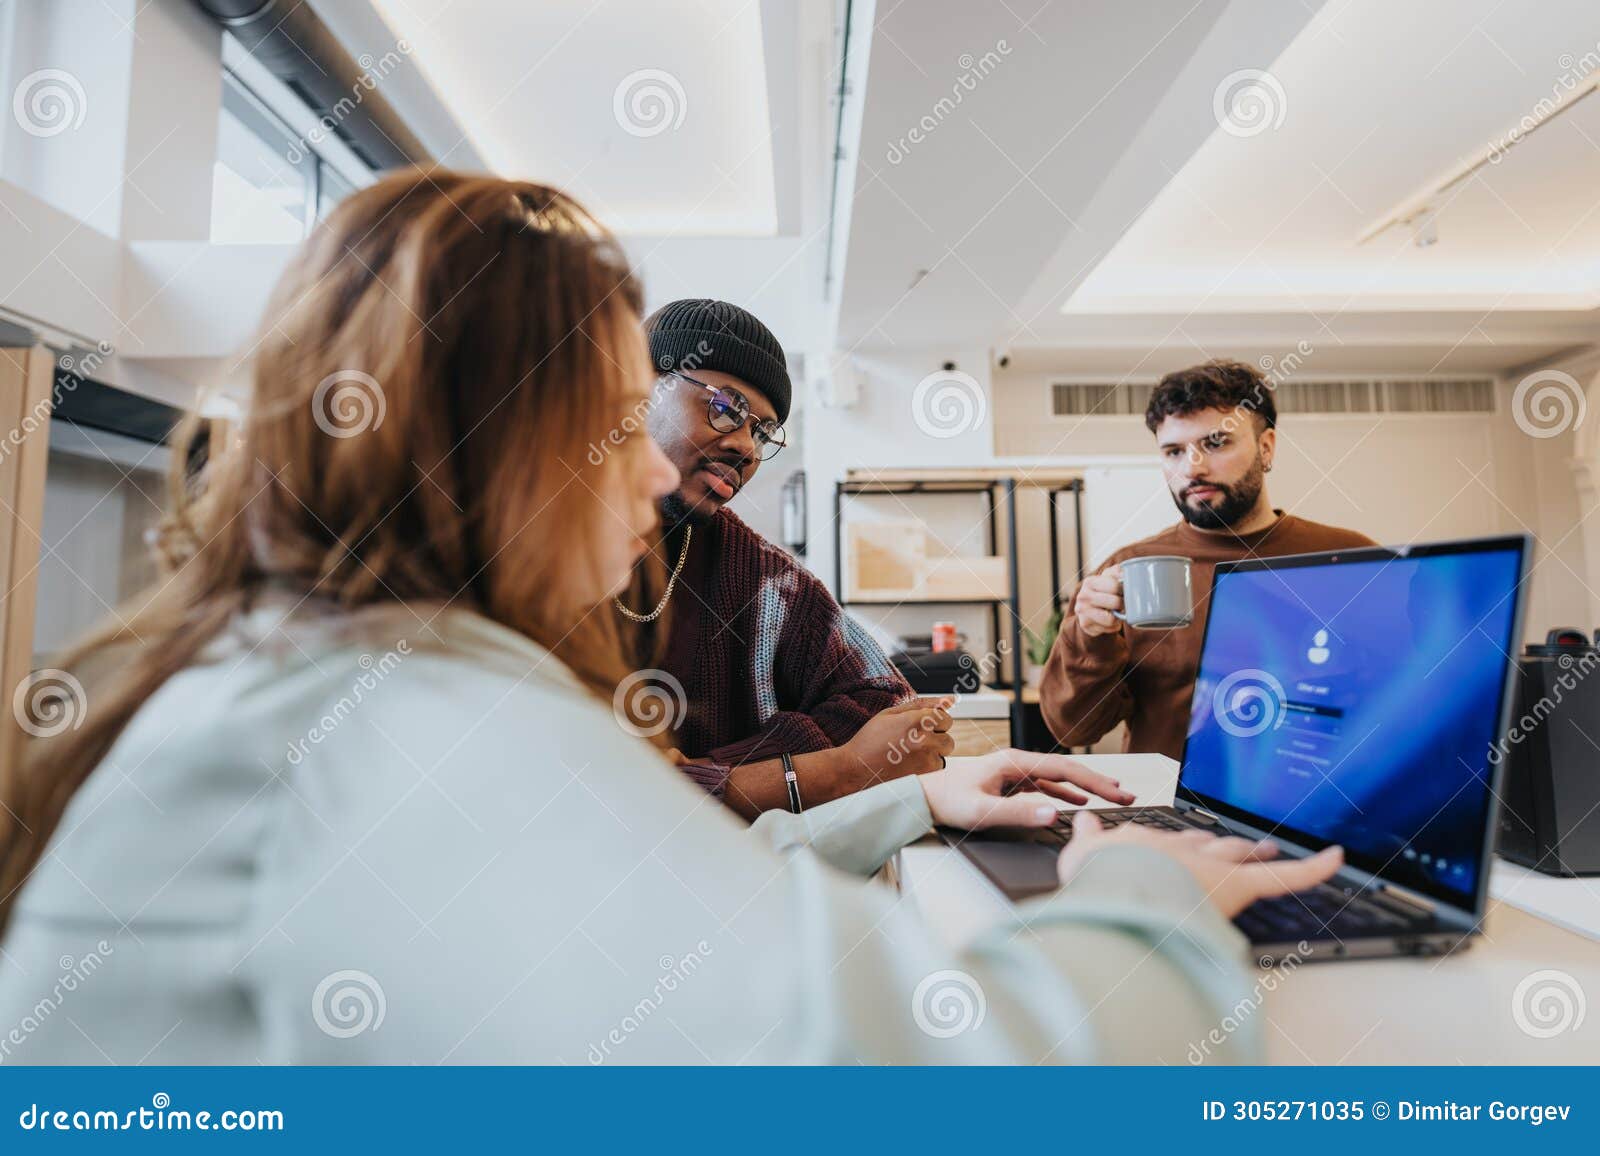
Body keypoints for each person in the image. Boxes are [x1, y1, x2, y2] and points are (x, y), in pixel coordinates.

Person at [0, 172, 1341, 1065]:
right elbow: (948, 1085)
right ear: (501, 433)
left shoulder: (340, 665)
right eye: (611, 418)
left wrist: (916, 803)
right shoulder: (405, 717)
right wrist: (1150, 900)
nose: (646, 468)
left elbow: (682, 852)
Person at [618, 299, 932, 819]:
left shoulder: (761, 574)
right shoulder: (527, 548)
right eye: (725, 407)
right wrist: (825, 768)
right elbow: (593, 794)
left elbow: (888, 708)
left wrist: (709, 773)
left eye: (763, 432)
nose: (746, 448)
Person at [1041, 359, 1377, 760]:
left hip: (1316, 808)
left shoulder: (1351, 560)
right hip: (1165, 814)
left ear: (1266, 447)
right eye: (1174, 451)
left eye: (1215, 443)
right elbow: (1074, 728)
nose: (1192, 468)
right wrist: (1090, 638)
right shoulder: (1127, 571)